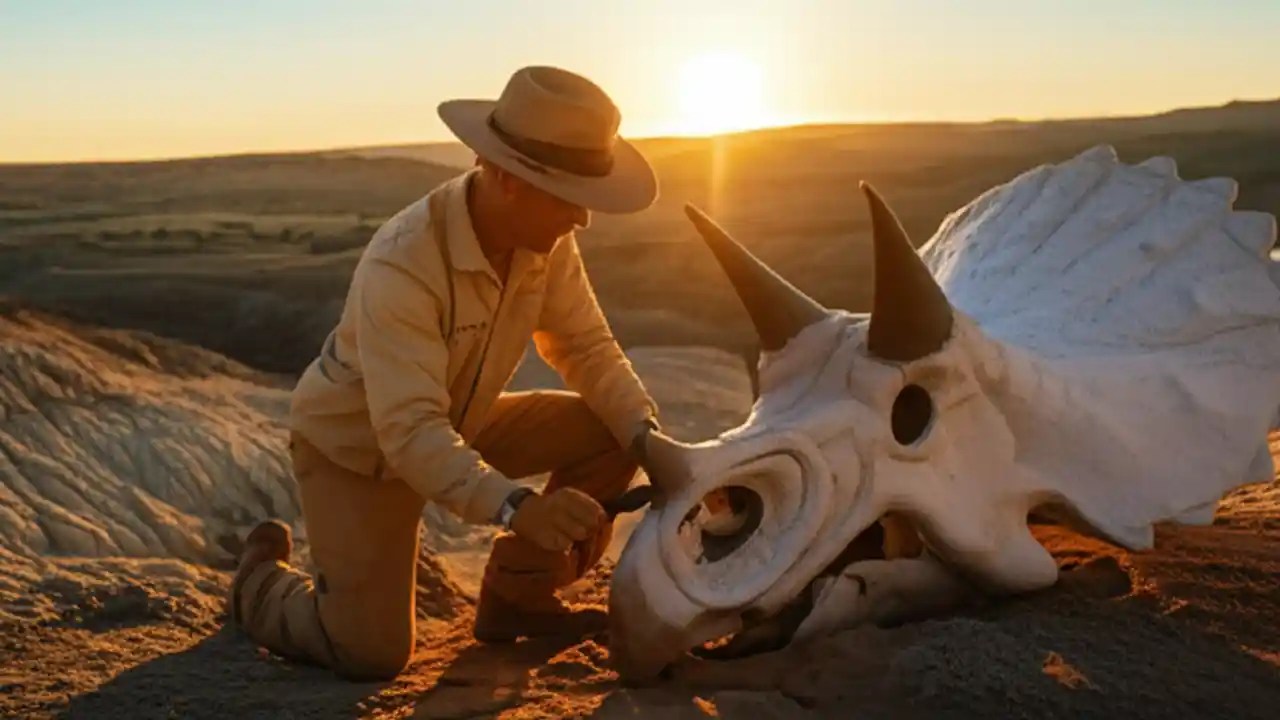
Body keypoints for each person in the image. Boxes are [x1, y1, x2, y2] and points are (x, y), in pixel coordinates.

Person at [228, 65, 665, 681]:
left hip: (460, 424)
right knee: (369, 654)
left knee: (613, 430)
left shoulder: (545, 242)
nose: (584, 220)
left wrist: (650, 437)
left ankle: (516, 599)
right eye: (570, 198)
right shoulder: (404, 262)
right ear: (510, 179)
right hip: (360, 452)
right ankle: (257, 586)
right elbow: (407, 432)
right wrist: (516, 508)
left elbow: (587, 347)